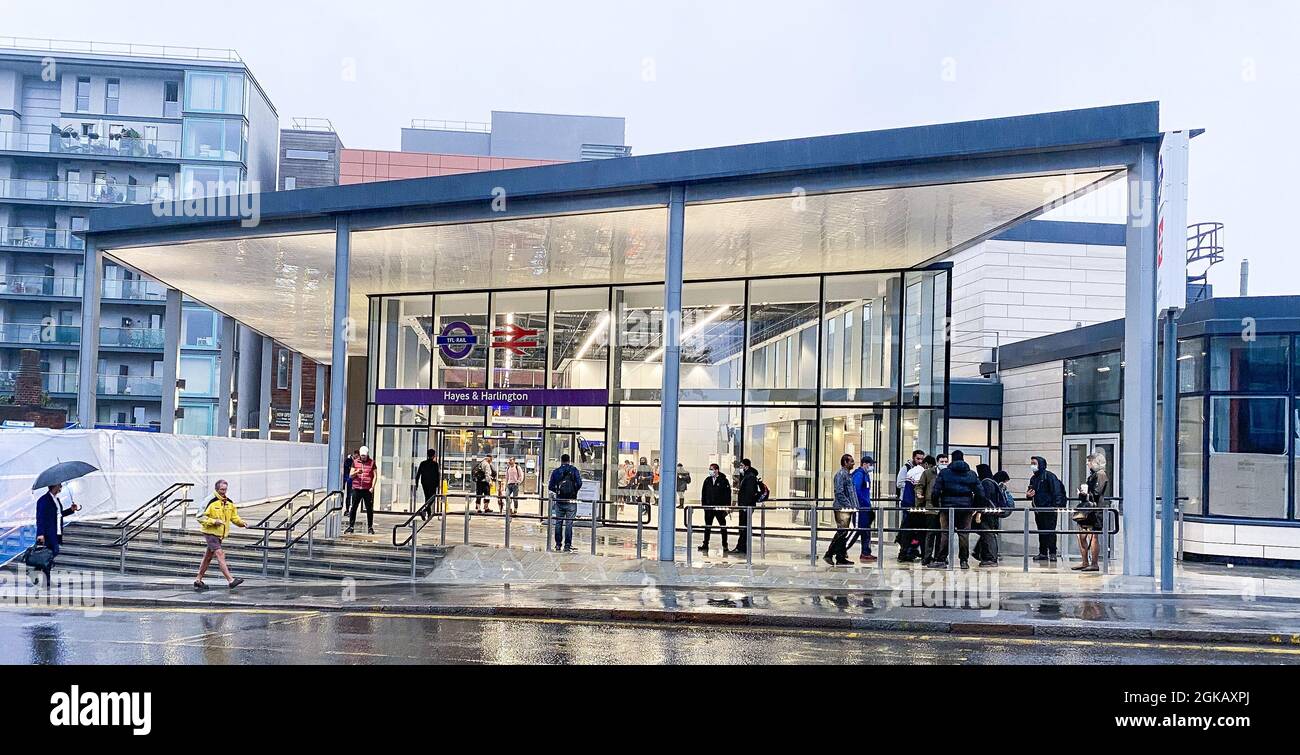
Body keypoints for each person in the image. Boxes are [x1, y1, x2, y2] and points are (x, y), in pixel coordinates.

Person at [929, 450, 986, 569]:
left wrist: (937, 505)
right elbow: (980, 493)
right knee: (964, 534)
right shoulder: (971, 474)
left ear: (952, 459)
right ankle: (964, 561)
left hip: (947, 508)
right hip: (966, 508)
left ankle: (941, 559)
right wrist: (975, 506)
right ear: (963, 458)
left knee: (945, 533)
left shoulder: (944, 473)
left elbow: (935, 491)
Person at [194, 479, 247, 590]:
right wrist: (214, 521)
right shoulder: (210, 500)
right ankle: (231, 580)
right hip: (210, 532)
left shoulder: (229, 502)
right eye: (221, 489)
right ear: (216, 489)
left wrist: (242, 523)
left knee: (208, 557)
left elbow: (234, 517)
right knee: (220, 554)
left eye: (225, 489)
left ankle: (198, 580)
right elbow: (199, 516)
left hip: (220, 535)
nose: (224, 492)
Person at [34, 482, 79, 586]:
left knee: (50, 555)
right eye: (59, 485)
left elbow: (59, 515)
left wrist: (71, 510)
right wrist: (40, 533)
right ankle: (45, 579)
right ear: (54, 486)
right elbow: (40, 518)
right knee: (50, 554)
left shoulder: (56, 499)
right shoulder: (43, 500)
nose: (61, 487)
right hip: (47, 533)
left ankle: (37, 570)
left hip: (56, 532)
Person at [1073, 452, 1109, 572]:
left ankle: (1094, 563)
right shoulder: (1092, 475)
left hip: (1095, 510)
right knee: (1081, 536)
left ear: (1095, 462)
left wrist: (1086, 494)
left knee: (1093, 537)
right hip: (1088, 509)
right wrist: (1083, 494)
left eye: (1089, 461)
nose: (1087, 463)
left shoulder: (1101, 474)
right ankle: (1085, 561)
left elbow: (1097, 492)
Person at [1027, 456, 1066, 562]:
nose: (1032, 466)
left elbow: (1057, 491)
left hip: (1049, 509)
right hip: (1038, 510)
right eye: (1031, 463)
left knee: (1050, 531)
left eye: (1034, 463)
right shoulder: (1033, 478)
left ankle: (1053, 553)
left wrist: (1056, 506)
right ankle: (1043, 552)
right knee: (1041, 531)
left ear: (1040, 464)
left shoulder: (1049, 476)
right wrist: (1028, 495)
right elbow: (1031, 492)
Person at [824, 454, 859, 566]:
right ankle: (829, 554)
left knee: (844, 532)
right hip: (842, 508)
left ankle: (840, 557)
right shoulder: (840, 475)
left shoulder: (848, 475)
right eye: (851, 461)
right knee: (842, 532)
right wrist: (848, 505)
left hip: (847, 508)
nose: (853, 463)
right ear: (845, 462)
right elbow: (839, 492)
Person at [895, 449, 927, 561]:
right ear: (913, 458)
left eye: (922, 459)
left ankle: (911, 550)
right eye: (918, 458)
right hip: (908, 501)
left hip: (914, 503)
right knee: (907, 527)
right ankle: (906, 550)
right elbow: (899, 483)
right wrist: (912, 484)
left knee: (912, 529)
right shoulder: (906, 469)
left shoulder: (921, 470)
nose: (920, 461)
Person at [548, 453, 583, 552]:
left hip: (559, 500)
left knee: (558, 522)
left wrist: (558, 491)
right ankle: (567, 545)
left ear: (561, 460)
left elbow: (551, 486)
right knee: (569, 523)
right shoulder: (574, 470)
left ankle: (558, 544)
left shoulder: (556, 471)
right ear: (569, 460)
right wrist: (574, 491)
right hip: (571, 500)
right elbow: (579, 483)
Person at [973, 463, 1001, 567]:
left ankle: (991, 558)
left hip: (987, 513)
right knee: (987, 534)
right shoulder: (992, 481)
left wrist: (979, 512)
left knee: (988, 534)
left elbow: (984, 499)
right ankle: (982, 554)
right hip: (991, 513)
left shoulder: (986, 483)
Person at [915, 455, 942, 565]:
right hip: (930, 506)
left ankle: (939, 557)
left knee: (941, 534)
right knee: (931, 533)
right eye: (942, 461)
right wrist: (919, 494)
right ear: (937, 462)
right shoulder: (928, 473)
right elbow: (920, 485)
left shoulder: (947, 473)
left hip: (944, 507)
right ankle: (927, 557)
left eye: (946, 461)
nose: (944, 463)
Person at [699, 463, 731, 553]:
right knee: (707, 526)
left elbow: (727, 494)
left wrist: (727, 507)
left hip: (719, 508)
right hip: (709, 508)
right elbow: (704, 493)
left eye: (712, 469)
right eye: (710, 469)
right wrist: (704, 506)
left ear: (716, 470)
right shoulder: (707, 480)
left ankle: (725, 544)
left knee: (723, 526)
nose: (710, 471)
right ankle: (705, 544)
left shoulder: (723, 480)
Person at [851, 455, 877, 563]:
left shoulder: (865, 475)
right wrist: (861, 503)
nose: (872, 467)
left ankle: (866, 552)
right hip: (860, 507)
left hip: (866, 507)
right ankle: (841, 549)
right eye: (871, 464)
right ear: (865, 464)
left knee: (866, 531)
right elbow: (856, 490)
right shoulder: (859, 474)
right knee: (857, 530)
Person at [346, 446, 376, 535]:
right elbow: (351, 475)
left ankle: (370, 527)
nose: (363, 457)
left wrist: (372, 487)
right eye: (362, 455)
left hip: (367, 489)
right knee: (354, 507)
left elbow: (375, 475)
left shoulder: (371, 462)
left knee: (369, 508)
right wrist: (356, 472)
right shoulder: (355, 462)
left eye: (364, 456)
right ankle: (351, 526)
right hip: (357, 488)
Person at [733, 459, 760, 555]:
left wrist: (745, 506)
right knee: (743, 526)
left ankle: (742, 547)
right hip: (744, 506)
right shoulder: (746, 476)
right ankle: (741, 546)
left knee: (744, 527)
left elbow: (750, 493)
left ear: (746, 466)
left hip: (746, 507)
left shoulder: (750, 477)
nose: (740, 467)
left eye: (741, 465)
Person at [416, 449, 441, 519]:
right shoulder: (435, 464)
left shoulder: (423, 463)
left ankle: (428, 513)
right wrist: (438, 484)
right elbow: (437, 475)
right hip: (432, 484)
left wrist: (416, 483)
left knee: (427, 498)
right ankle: (424, 511)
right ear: (433, 456)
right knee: (432, 498)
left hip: (424, 483)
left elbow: (418, 474)